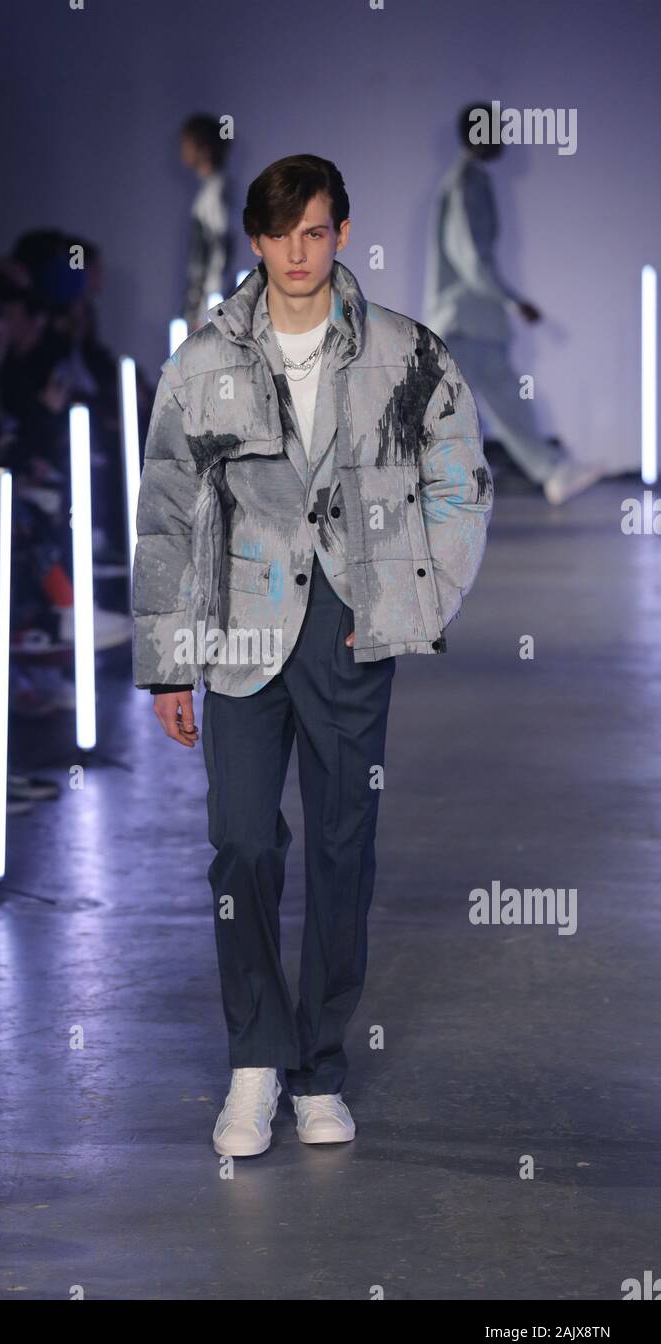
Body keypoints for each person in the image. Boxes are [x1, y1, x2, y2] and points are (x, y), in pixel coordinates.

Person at [133, 153, 493, 1158]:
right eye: (281, 232)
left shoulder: (403, 351)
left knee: (341, 849)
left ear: (341, 234)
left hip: (343, 624)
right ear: (255, 239)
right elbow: (170, 507)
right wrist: (167, 660)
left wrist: (399, 600)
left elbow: (459, 483)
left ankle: (318, 1066)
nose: (299, 251)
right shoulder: (203, 360)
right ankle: (255, 1056)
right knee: (242, 841)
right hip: (240, 627)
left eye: (317, 230)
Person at [423, 103, 603, 505]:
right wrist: (513, 300)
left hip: (468, 320)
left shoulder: (466, 181)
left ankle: (551, 471)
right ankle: (550, 471)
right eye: (496, 129)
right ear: (477, 134)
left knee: (482, 406)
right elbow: (471, 256)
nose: (503, 137)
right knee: (474, 408)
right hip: (468, 320)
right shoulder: (466, 183)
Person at [179, 114, 232, 332]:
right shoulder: (214, 192)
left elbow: (212, 253)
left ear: (203, 148)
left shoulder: (214, 194)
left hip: (212, 303)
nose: (183, 150)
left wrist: (195, 309)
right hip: (214, 301)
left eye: (187, 143)